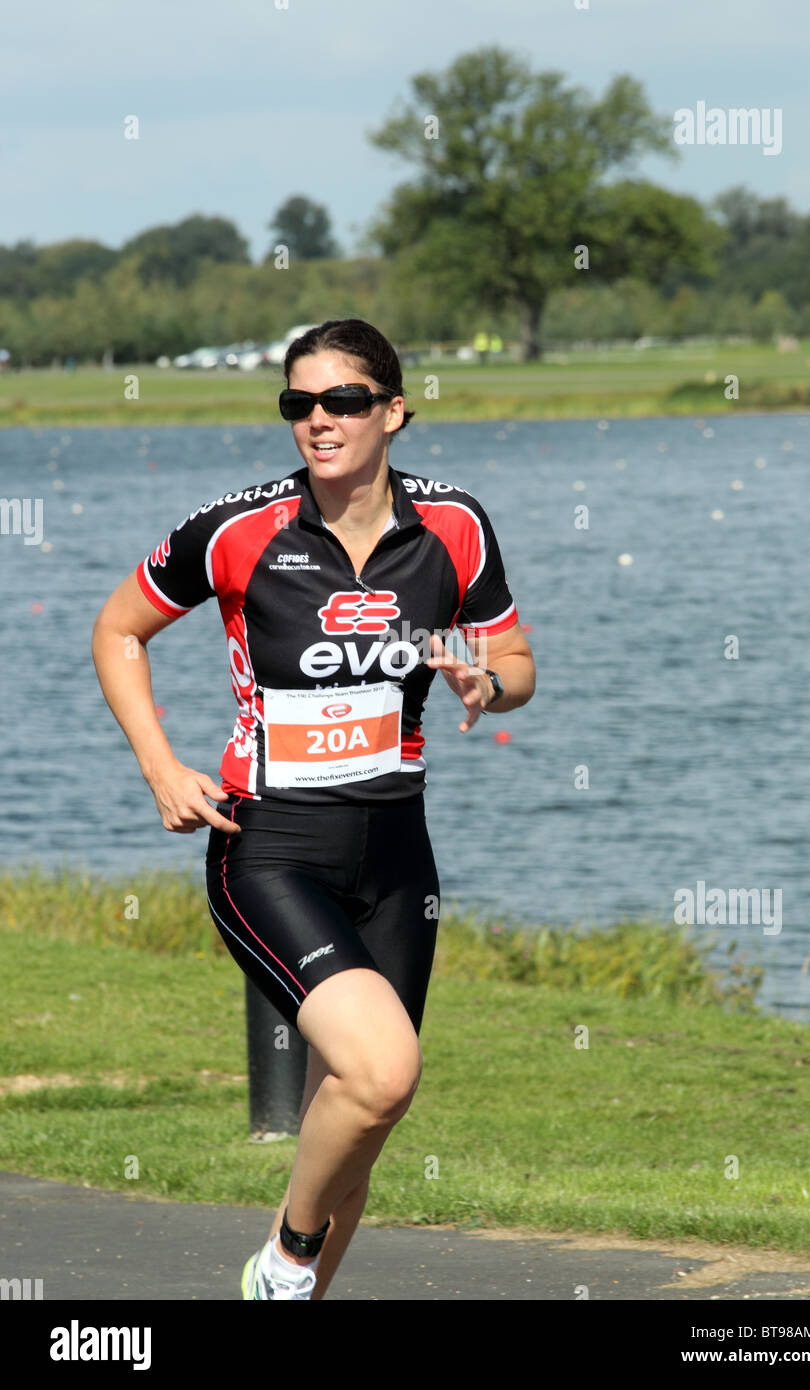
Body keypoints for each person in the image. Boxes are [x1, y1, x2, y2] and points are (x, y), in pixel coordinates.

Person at [91, 317, 535, 1300]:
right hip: (270, 852)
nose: (316, 421)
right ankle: (286, 1255)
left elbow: (516, 665)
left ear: (394, 410)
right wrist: (160, 766)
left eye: (341, 401)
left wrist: (482, 685)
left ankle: (289, 1294)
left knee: (364, 1117)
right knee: (381, 1072)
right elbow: (119, 628)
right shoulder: (239, 529)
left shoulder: (453, 526)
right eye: (298, 403)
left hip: (396, 860)